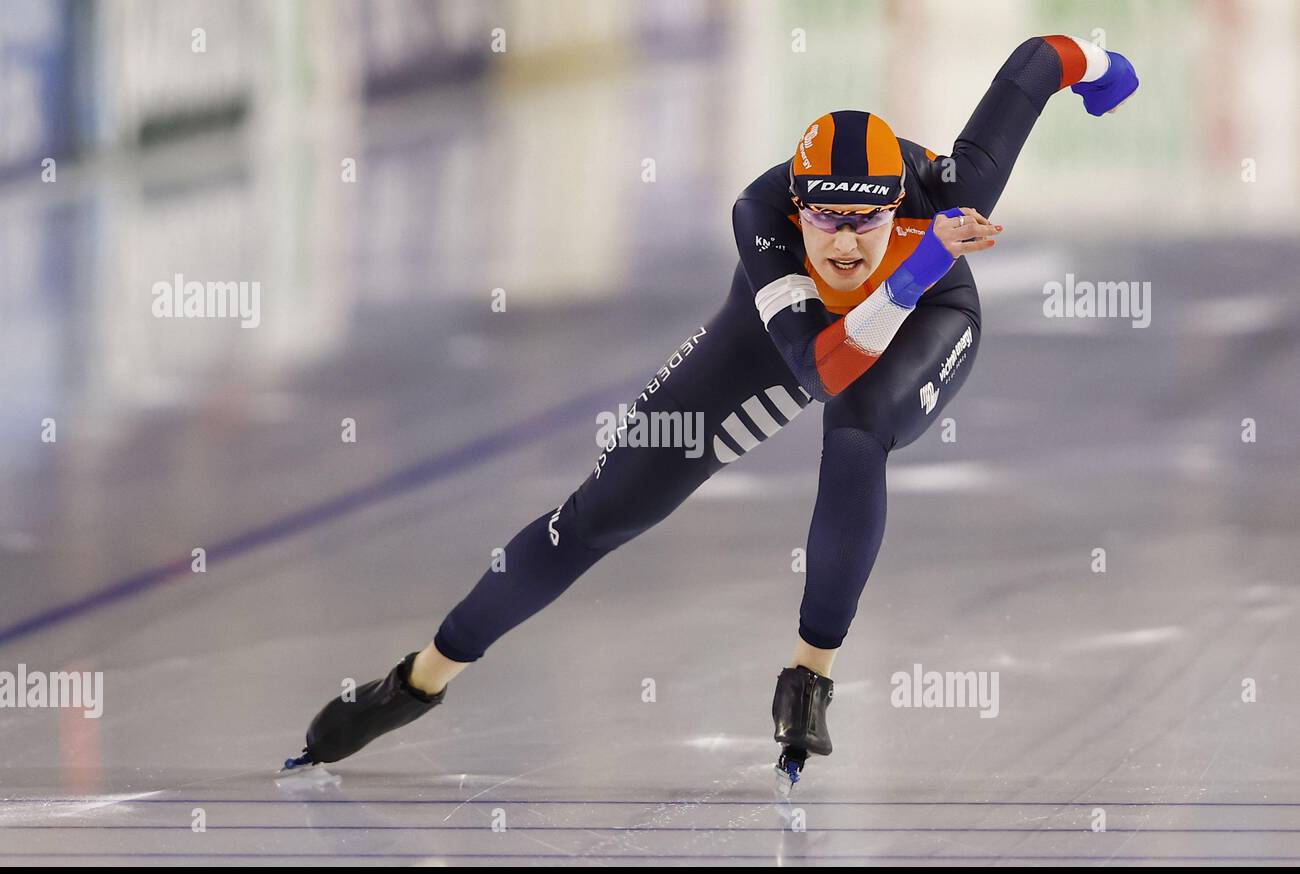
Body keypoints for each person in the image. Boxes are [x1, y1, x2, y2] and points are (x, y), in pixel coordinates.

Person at [285, 35, 1138, 784]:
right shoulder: (759, 217)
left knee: (859, 428)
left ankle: (809, 675)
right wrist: (907, 265)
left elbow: (1042, 59)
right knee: (599, 514)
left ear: (900, 206)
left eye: (867, 222)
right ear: (797, 208)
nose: (844, 242)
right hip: (797, 333)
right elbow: (826, 360)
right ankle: (419, 679)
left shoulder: (953, 190)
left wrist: (1109, 70)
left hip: (928, 316)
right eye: (827, 219)